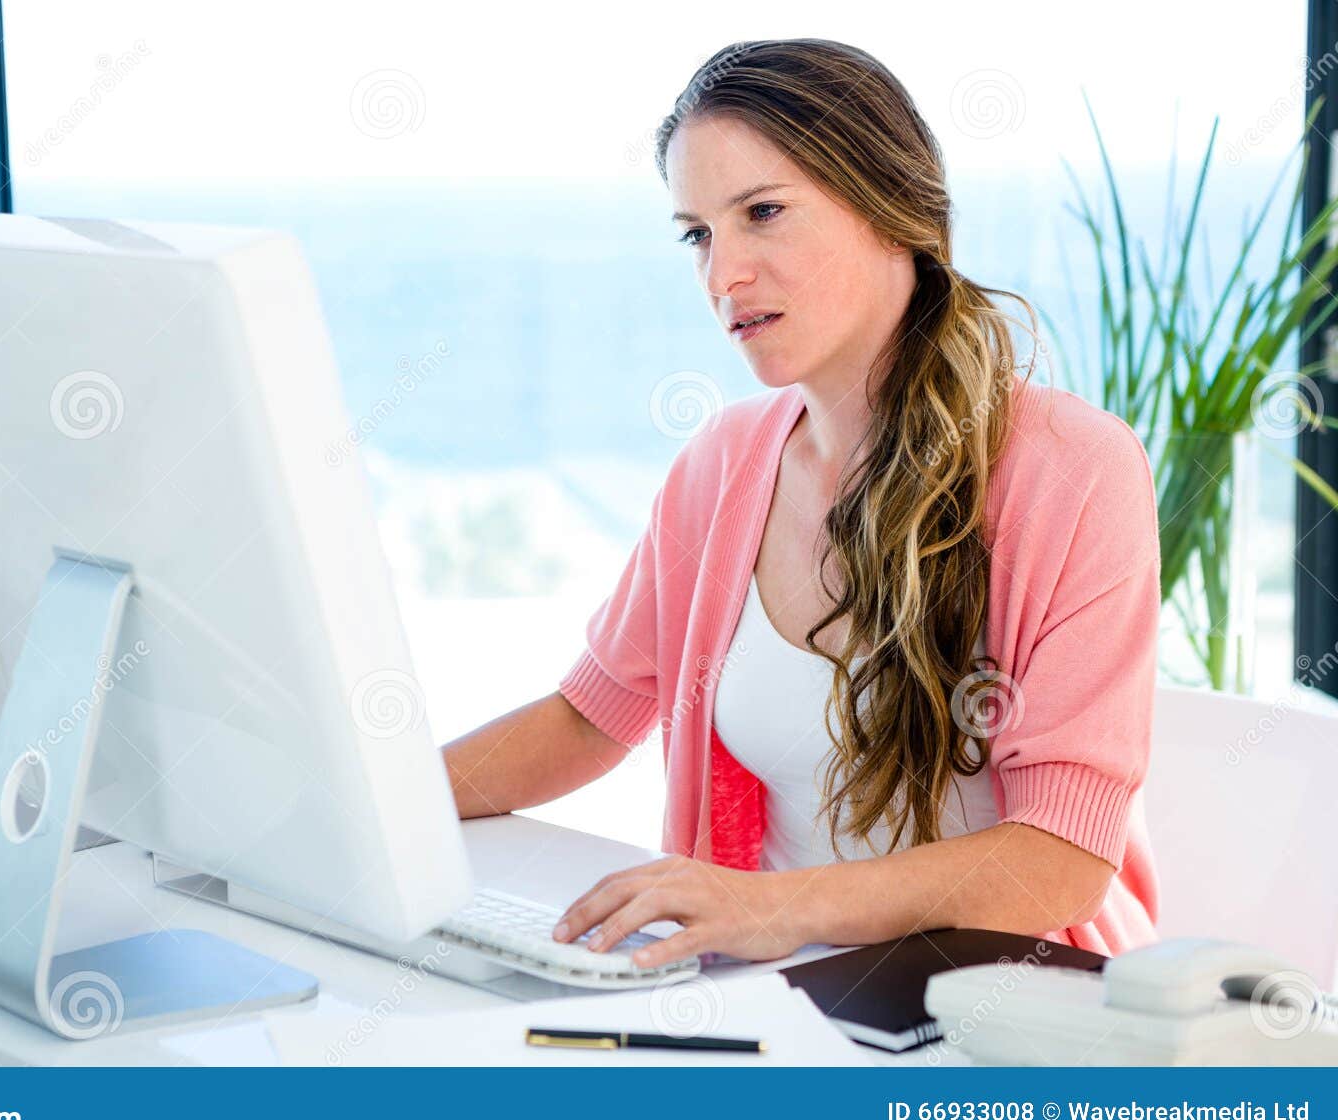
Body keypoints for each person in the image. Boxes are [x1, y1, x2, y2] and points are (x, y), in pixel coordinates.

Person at [441, 38, 1161, 968]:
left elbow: (1060, 862)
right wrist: (370, 802)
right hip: (768, 1001)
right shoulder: (723, 464)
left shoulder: (1075, 471)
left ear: (891, 211)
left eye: (764, 213)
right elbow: (591, 714)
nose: (721, 276)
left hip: (992, 1010)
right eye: (699, 233)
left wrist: (775, 907)